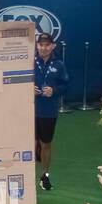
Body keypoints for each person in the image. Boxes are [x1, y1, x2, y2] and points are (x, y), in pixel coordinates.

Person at [34, 33, 68, 192]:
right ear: (36, 45)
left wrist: (54, 90)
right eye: (40, 44)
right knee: (29, 144)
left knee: (46, 144)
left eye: (47, 45)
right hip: (29, 110)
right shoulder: (29, 61)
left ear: (53, 46)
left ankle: (45, 176)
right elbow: (15, 81)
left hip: (48, 111)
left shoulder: (59, 64)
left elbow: (65, 86)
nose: (43, 48)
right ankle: (27, 176)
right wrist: (26, 88)